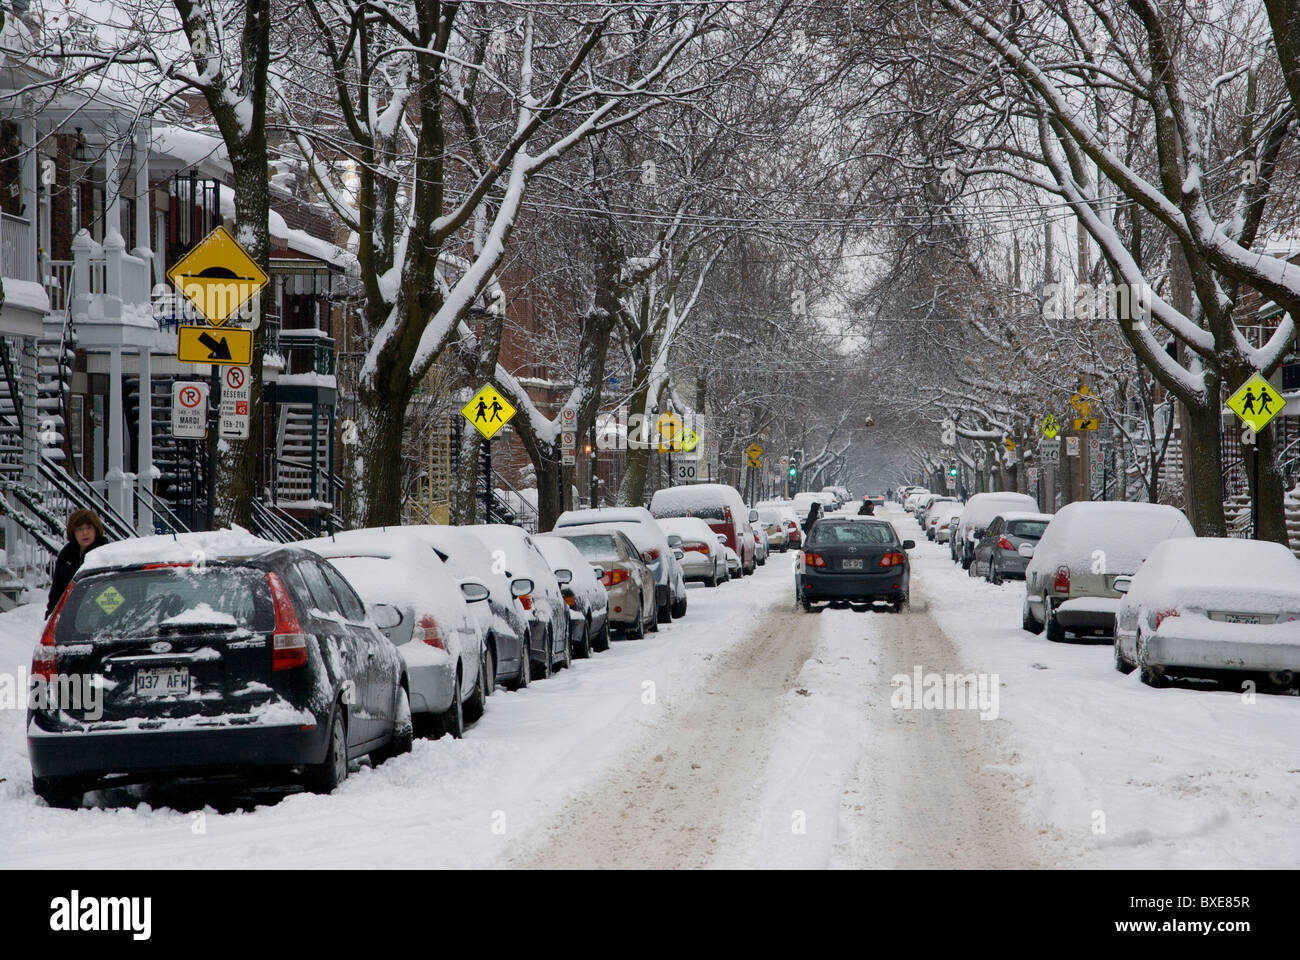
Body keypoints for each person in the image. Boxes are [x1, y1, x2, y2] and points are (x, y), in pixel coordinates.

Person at [45, 508, 108, 618]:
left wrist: (100, 616)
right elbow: (57, 590)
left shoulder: (104, 553)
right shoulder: (66, 554)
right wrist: (51, 615)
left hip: (99, 616)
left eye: (89, 528)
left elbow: (112, 589)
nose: (85, 533)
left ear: (96, 530)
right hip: (70, 616)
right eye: (79, 529)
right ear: (73, 532)